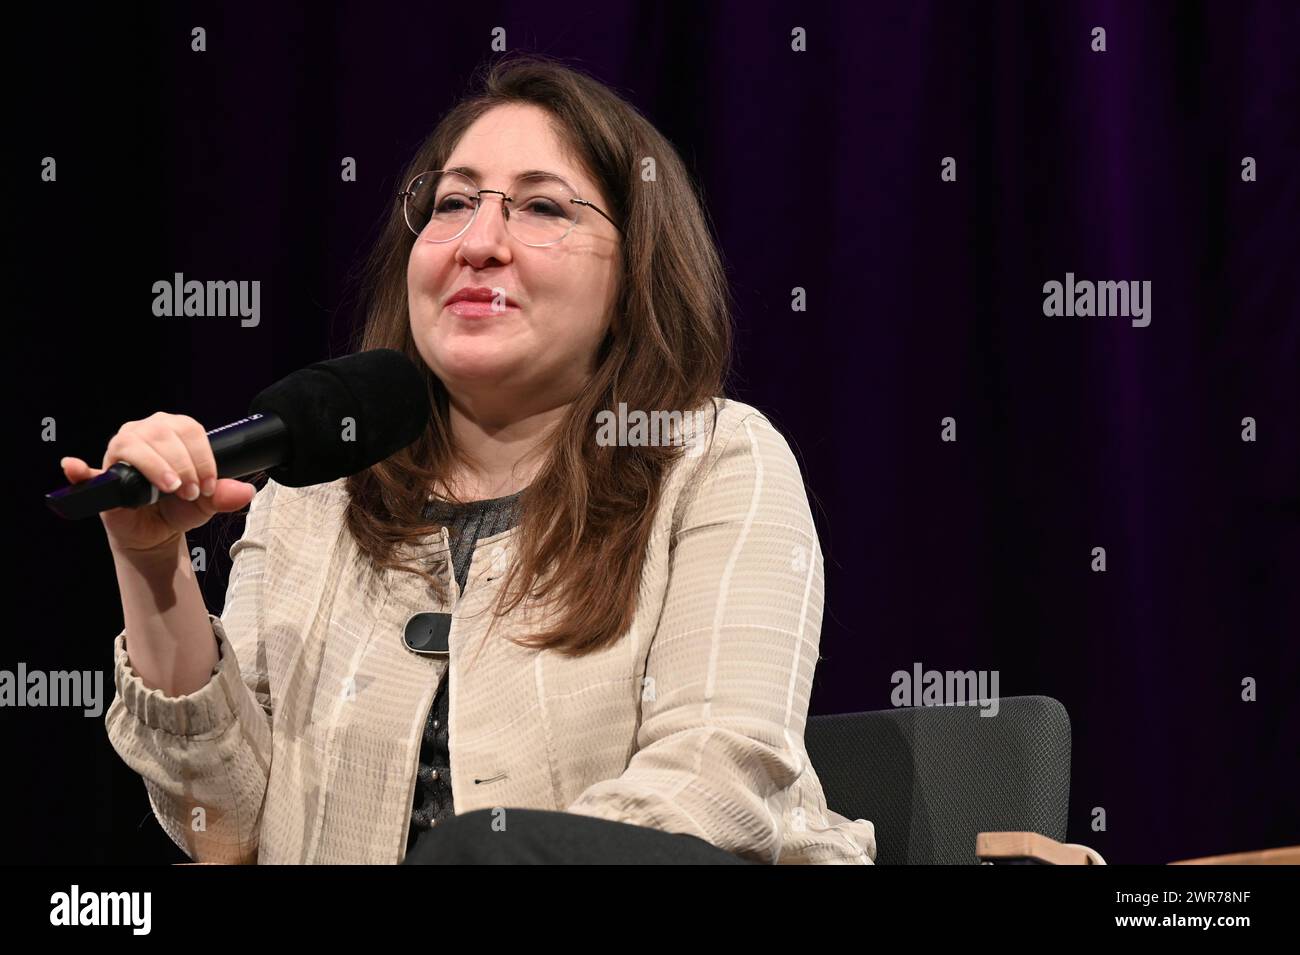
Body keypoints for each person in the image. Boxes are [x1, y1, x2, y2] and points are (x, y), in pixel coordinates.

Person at [65, 53, 877, 865]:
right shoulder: (318, 486)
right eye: (453, 202)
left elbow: (711, 786)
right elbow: (223, 825)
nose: (478, 241)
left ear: (636, 270)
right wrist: (151, 561)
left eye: (541, 207)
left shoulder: (713, 461)